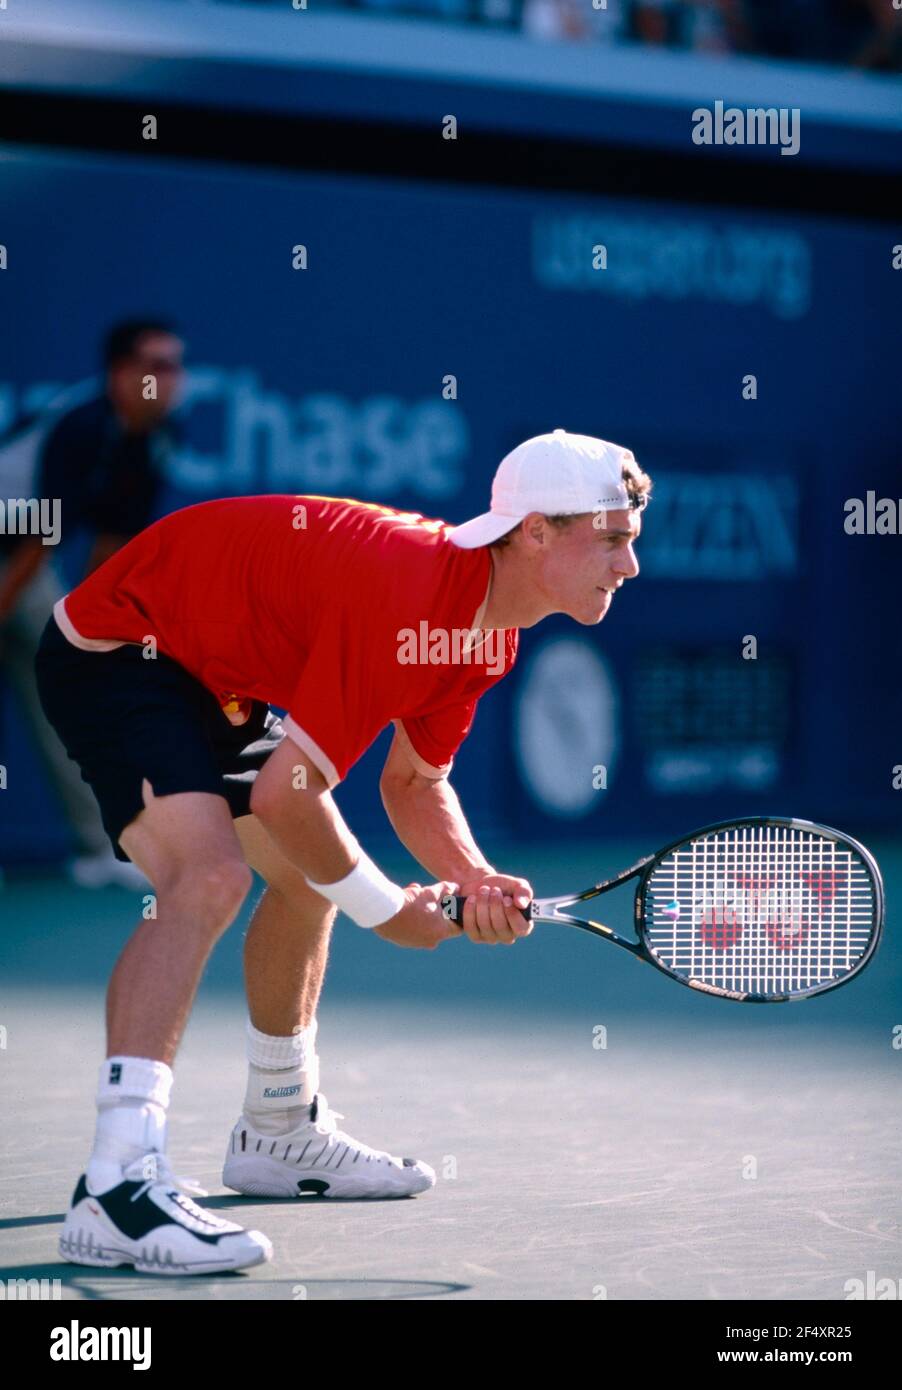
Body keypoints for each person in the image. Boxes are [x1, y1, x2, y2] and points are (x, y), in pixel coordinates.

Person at [34, 428, 650, 1275]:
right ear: (536, 531)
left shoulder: (489, 637)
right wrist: (389, 912)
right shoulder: (410, 588)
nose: (629, 565)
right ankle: (115, 1186)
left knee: (303, 881)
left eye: (630, 542)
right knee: (209, 876)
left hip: (227, 682)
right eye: (612, 539)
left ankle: (278, 1132)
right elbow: (288, 796)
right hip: (123, 646)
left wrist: (472, 878)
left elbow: (413, 786)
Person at [0, 319, 185, 888]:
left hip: (24, 563)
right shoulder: (83, 427)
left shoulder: (157, 438)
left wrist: (86, 636)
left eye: (175, 366)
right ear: (120, 375)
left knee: (67, 688)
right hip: (19, 554)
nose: (169, 380)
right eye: (155, 366)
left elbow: (110, 543)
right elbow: (41, 533)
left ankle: (101, 848)